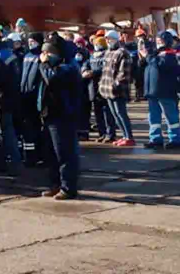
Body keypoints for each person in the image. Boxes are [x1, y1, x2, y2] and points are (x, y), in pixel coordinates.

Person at [38, 33, 82, 200]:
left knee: (64, 153)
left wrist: (44, 65)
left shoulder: (67, 67)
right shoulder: (53, 66)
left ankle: (68, 187)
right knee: (51, 154)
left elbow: (52, 80)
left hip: (63, 114)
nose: (45, 55)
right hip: (49, 114)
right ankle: (55, 184)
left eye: (48, 52)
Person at [0, 27, 22, 176]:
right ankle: (0, 162)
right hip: (12, 97)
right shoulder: (8, 53)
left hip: (3, 99)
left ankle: (15, 163)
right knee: (3, 130)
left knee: (6, 132)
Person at [144, 32, 180, 149]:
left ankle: (175, 139)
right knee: (153, 117)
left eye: (160, 40)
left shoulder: (169, 55)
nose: (158, 42)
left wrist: (150, 55)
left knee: (171, 116)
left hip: (165, 91)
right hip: (153, 91)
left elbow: (158, 64)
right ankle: (155, 139)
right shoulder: (158, 55)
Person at [100, 30, 135, 147]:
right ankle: (124, 136)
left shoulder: (123, 53)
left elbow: (123, 74)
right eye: (106, 39)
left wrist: (115, 85)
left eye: (109, 39)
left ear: (115, 39)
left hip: (118, 90)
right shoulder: (107, 53)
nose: (107, 41)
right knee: (115, 114)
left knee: (121, 113)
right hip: (107, 89)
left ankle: (129, 137)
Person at [84, 37, 116, 143]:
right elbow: (86, 64)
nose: (96, 45)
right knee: (98, 112)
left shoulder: (107, 54)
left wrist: (93, 72)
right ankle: (102, 133)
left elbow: (106, 67)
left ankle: (110, 134)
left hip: (104, 85)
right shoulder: (92, 55)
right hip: (93, 86)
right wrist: (84, 71)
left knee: (107, 112)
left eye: (98, 43)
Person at [19, 32, 45, 166]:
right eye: (29, 41)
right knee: (27, 128)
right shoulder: (27, 56)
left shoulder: (41, 57)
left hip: (35, 97)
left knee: (34, 127)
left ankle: (36, 156)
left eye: (33, 41)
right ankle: (29, 156)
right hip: (25, 95)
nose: (30, 43)